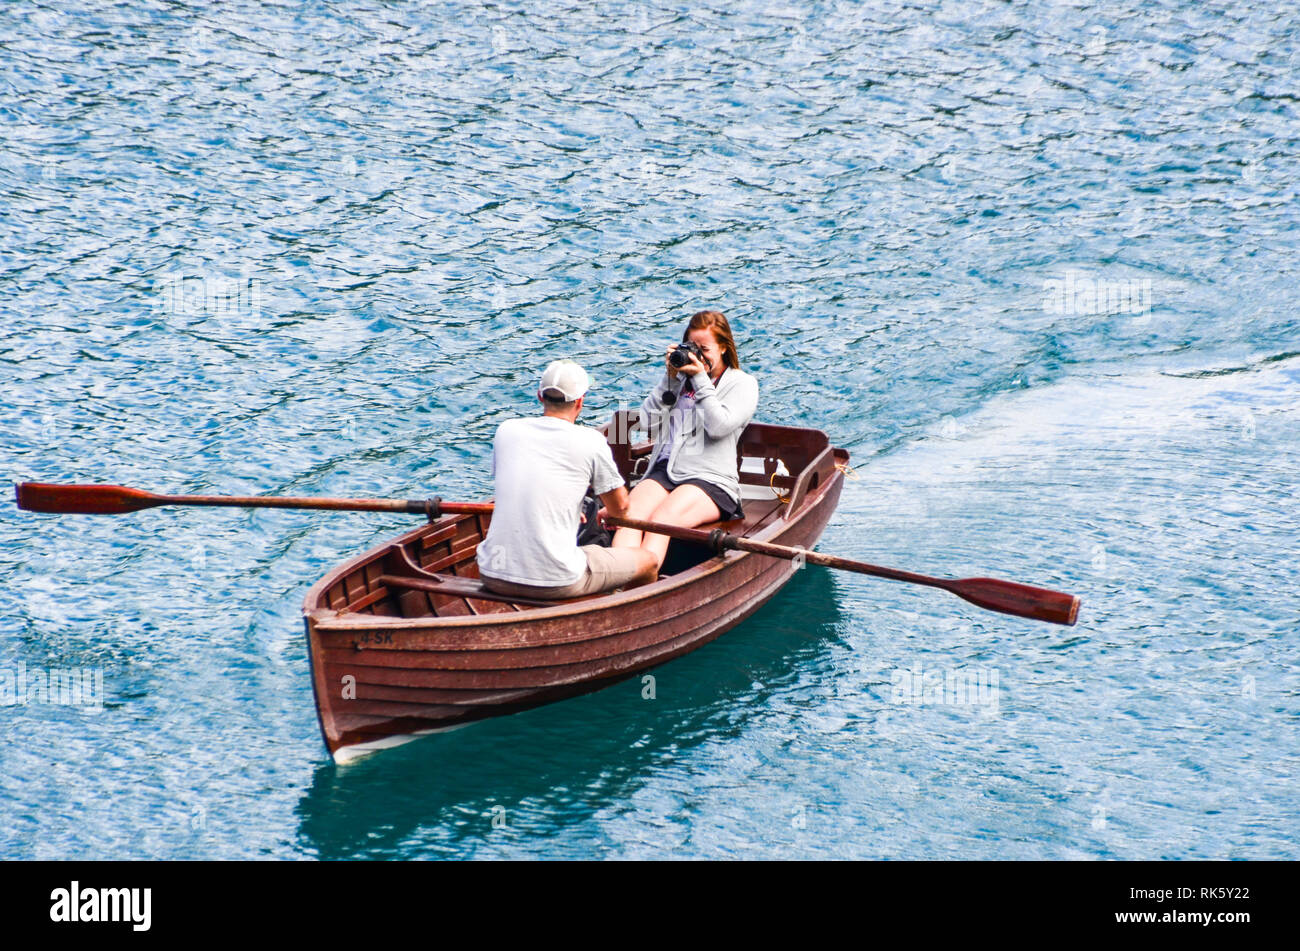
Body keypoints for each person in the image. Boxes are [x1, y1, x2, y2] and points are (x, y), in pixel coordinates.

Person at [477, 360, 659, 600]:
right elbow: (621, 508)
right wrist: (611, 515)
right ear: (580, 401)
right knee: (649, 561)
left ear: (540, 397)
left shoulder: (506, 431)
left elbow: (531, 483)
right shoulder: (590, 441)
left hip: (492, 573)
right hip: (556, 580)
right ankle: (628, 617)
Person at [612, 310, 759, 569]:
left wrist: (701, 379)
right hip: (665, 471)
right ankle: (615, 583)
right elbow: (648, 425)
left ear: (724, 348)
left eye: (705, 349)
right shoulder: (679, 380)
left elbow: (718, 426)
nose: (700, 356)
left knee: (661, 520)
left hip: (710, 480)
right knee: (629, 517)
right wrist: (669, 379)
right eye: (694, 348)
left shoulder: (743, 384)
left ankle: (642, 588)